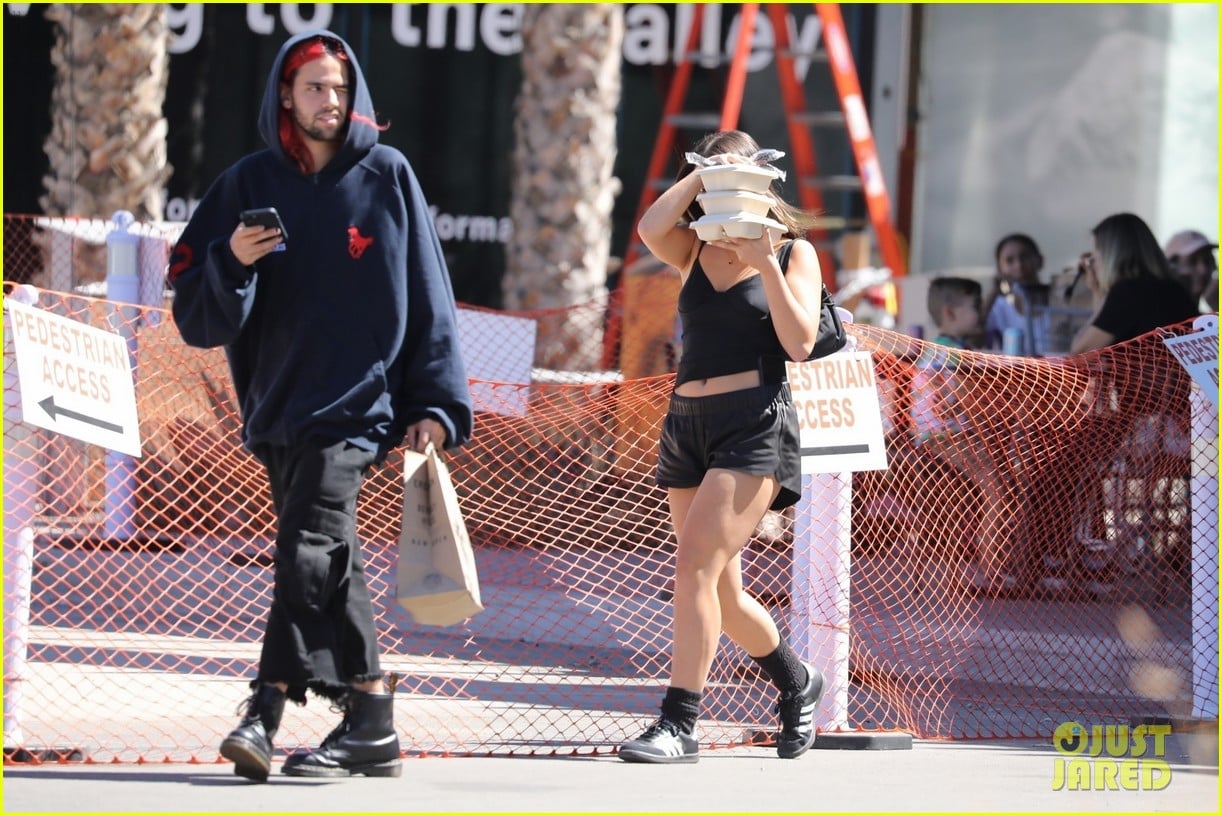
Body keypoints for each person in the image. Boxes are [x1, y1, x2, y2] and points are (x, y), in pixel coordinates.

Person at [167, 30, 473, 781]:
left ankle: (264, 711)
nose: (330, 100)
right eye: (315, 88)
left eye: (340, 87)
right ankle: (371, 721)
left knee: (307, 547)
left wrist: (436, 403)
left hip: (359, 409)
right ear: (286, 94)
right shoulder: (246, 183)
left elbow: (430, 296)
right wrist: (232, 263)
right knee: (333, 561)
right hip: (276, 411)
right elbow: (195, 313)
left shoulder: (387, 174)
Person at [617, 130, 827, 764]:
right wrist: (701, 172)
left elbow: (800, 344)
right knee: (722, 593)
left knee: (693, 568)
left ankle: (679, 723)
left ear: (763, 181)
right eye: (717, 178)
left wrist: (765, 260)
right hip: (688, 422)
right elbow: (650, 227)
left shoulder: (792, 251)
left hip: (754, 422)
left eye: (741, 175)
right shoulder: (692, 246)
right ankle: (798, 680)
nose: (729, 187)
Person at [912, 277, 1019, 594]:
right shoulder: (954, 353)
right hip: (945, 437)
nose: (980, 314)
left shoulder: (941, 348)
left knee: (999, 473)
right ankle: (994, 569)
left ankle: (996, 563)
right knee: (998, 484)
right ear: (950, 312)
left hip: (936, 436)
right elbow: (967, 400)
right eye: (974, 307)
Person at [1070, 213, 1199, 354]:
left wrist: (1098, 293)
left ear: (1109, 258)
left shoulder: (1128, 292)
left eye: (1094, 258)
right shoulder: (1175, 288)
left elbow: (1081, 352)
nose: (1093, 266)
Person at [982, 233, 1051, 355]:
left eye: (1025, 257)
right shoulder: (998, 308)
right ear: (1000, 269)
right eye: (1009, 261)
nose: (1019, 266)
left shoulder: (1059, 307)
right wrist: (994, 292)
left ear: (1040, 261)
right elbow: (974, 335)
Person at [1164, 229, 1218, 313]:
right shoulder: (1161, 315)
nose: (1203, 270)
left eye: (1208, 261)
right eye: (1192, 261)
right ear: (1171, 267)